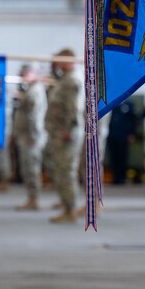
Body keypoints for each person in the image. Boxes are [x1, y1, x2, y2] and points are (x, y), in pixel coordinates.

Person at [43, 49, 82, 224]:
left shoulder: (72, 81)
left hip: (66, 134)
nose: (57, 65)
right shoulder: (64, 79)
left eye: (59, 61)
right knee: (62, 171)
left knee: (66, 172)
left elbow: (73, 108)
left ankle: (70, 210)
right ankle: (67, 206)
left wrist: (70, 129)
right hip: (59, 133)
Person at [12, 64, 47, 211]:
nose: (23, 77)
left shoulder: (35, 91)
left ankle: (34, 199)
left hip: (31, 137)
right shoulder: (31, 90)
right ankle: (32, 198)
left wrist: (33, 136)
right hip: (27, 136)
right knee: (28, 168)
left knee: (32, 168)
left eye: (25, 74)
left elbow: (35, 116)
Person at [105, 98, 140, 185]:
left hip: (124, 135)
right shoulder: (111, 103)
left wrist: (132, 133)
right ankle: (115, 177)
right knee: (113, 157)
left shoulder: (129, 104)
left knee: (123, 157)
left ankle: (122, 177)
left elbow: (133, 120)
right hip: (111, 135)